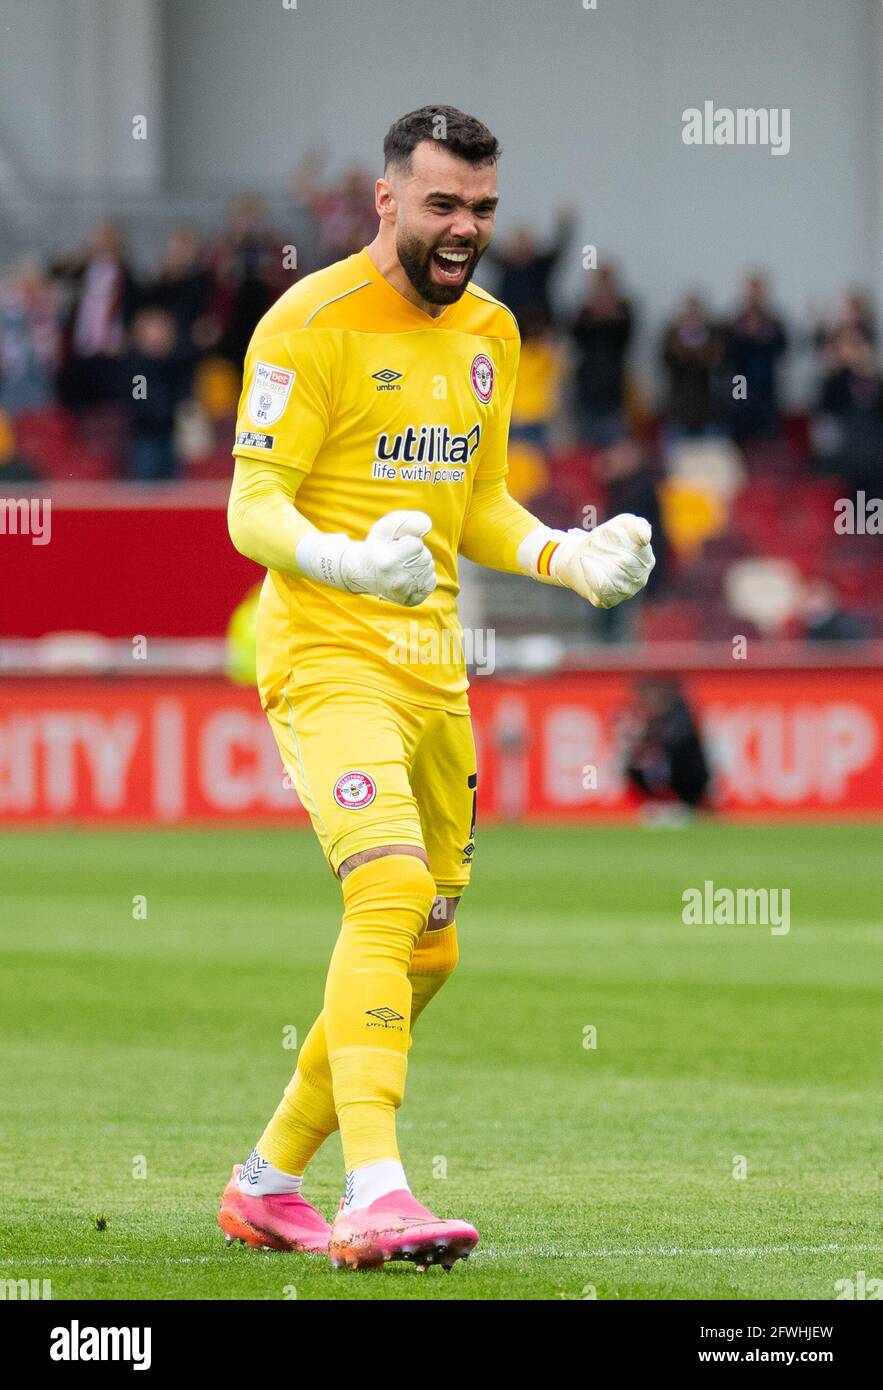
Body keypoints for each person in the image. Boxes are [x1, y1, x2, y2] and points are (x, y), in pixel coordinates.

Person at [222, 105, 655, 1272]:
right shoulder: (306, 323)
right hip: (327, 654)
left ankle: (267, 1181)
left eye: (482, 209)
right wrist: (345, 558)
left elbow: (473, 505)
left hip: (430, 669)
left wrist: (567, 555)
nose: (464, 229)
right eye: (442, 205)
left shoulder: (494, 332)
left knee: (432, 949)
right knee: (390, 888)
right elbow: (250, 507)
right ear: (385, 200)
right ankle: (377, 1190)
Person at [619, 676, 710, 821]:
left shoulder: (680, 714)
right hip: (660, 770)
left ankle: (684, 804)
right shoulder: (645, 716)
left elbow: (679, 743)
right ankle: (656, 804)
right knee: (634, 763)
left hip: (688, 771)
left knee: (676, 765)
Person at [570, 264, 634, 446]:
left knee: (612, 451)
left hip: (613, 394)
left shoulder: (625, 310)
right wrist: (593, 310)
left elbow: (626, 335)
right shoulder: (585, 311)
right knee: (585, 453)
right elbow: (576, 335)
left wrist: (609, 311)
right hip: (587, 392)